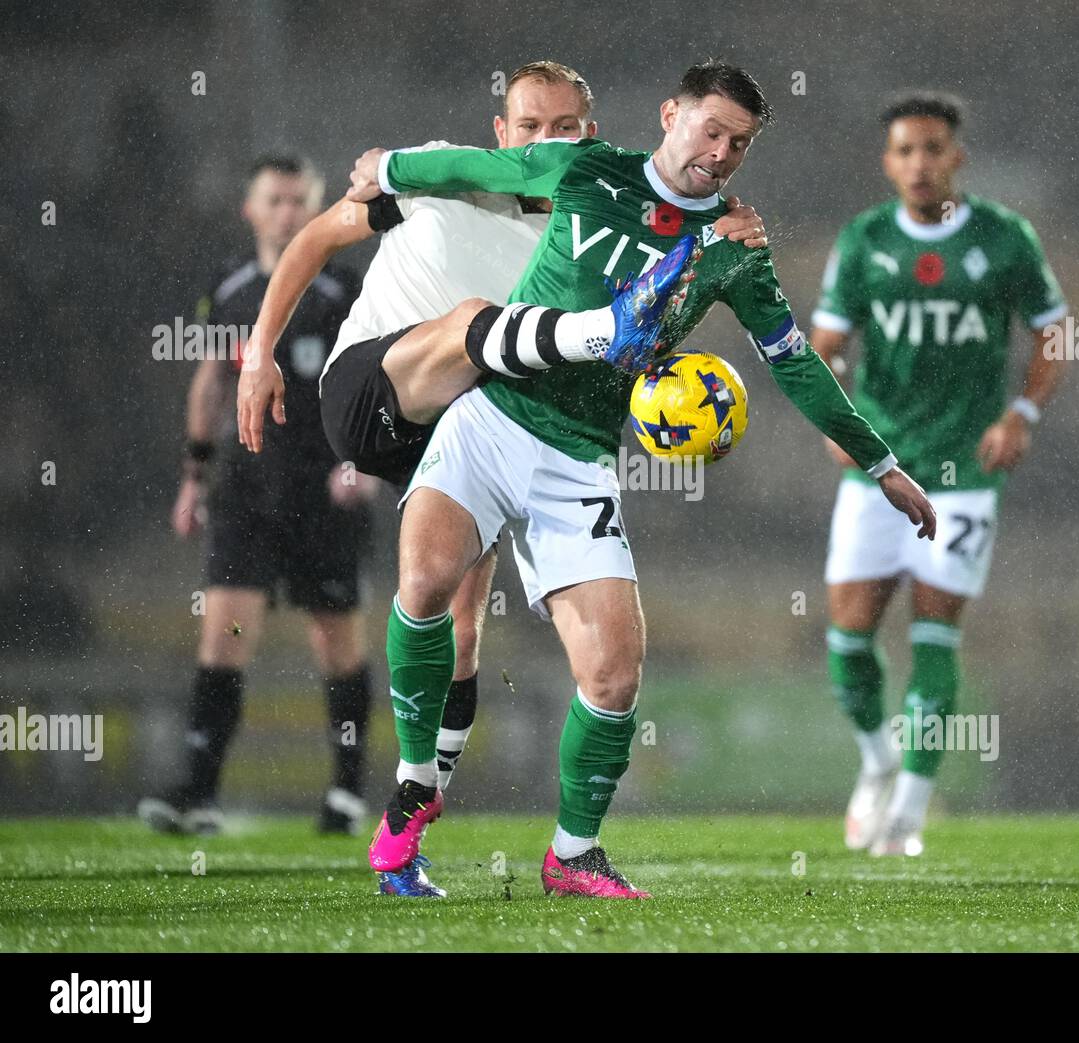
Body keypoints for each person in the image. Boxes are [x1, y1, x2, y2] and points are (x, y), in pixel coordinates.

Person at [344, 60, 936, 898]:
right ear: (671, 115)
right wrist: (390, 168)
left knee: (615, 675)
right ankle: (413, 784)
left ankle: (572, 852)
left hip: (580, 455)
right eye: (711, 129)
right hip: (491, 415)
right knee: (424, 584)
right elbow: (478, 168)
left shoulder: (735, 252)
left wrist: (881, 463)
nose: (722, 152)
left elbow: (797, 365)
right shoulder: (590, 168)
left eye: (739, 142)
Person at [235, 62, 769, 895]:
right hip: (376, 388)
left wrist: (708, 248)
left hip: (463, 420)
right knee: (472, 322)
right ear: (500, 133)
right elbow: (315, 239)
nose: (546, 140)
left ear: (588, 135)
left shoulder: (594, 216)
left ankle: (412, 812)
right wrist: (259, 352)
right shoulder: (446, 174)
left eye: (566, 127)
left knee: (458, 625)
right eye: (530, 125)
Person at [810, 91, 1068, 855]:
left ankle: (910, 813)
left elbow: (1055, 329)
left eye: (932, 149)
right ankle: (877, 761)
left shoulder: (1004, 238)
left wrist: (1022, 413)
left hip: (963, 476)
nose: (919, 163)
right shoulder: (862, 242)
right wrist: (837, 415)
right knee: (847, 641)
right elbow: (824, 343)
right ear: (887, 162)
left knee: (934, 637)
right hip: (879, 471)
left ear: (957, 156)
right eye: (905, 151)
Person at [139, 154, 372, 836]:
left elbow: (368, 378)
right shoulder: (233, 286)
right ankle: (199, 792)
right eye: (275, 199)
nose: (289, 212)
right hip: (247, 492)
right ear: (251, 208)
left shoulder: (342, 288)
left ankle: (348, 793)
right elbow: (211, 382)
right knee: (225, 636)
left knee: (337, 645)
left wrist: (360, 461)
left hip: (323, 492)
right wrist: (194, 476)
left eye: (300, 200)